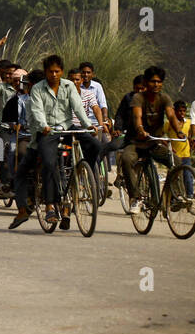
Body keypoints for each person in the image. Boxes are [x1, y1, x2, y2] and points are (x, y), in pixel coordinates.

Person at [9, 55, 100, 229]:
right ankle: (50, 205)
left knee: (95, 144)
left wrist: (88, 125)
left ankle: (82, 171)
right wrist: (43, 126)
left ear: (62, 71)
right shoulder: (37, 89)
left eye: (57, 71)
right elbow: (37, 110)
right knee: (49, 163)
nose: (54, 75)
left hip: (67, 126)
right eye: (51, 71)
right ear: (46, 72)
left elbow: (78, 107)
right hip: (48, 131)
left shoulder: (69, 86)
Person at [120, 65, 182, 214]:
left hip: (154, 143)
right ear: (147, 82)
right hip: (136, 142)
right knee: (126, 159)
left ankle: (173, 196)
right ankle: (136, 198)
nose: (156, 85)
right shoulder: (138, 98)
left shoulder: (164, 98)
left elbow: (171, 115)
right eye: (153, 81)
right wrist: (140, 129)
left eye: (159, 82)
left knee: (176, 161)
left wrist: (179, 131)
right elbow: (137, 116)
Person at [167, 100, 195, 199]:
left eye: (184, 111)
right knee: (175, 177)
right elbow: (162, 136)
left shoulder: (189, 123)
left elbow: (192, 135)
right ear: (174, 111)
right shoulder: (169, 123)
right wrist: (169, 146)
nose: (182, 113)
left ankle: (189, 196)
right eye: (179, 111)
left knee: (188, 175)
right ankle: (174, 197)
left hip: (186, 154)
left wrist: (192, 141)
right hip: (174, 155)